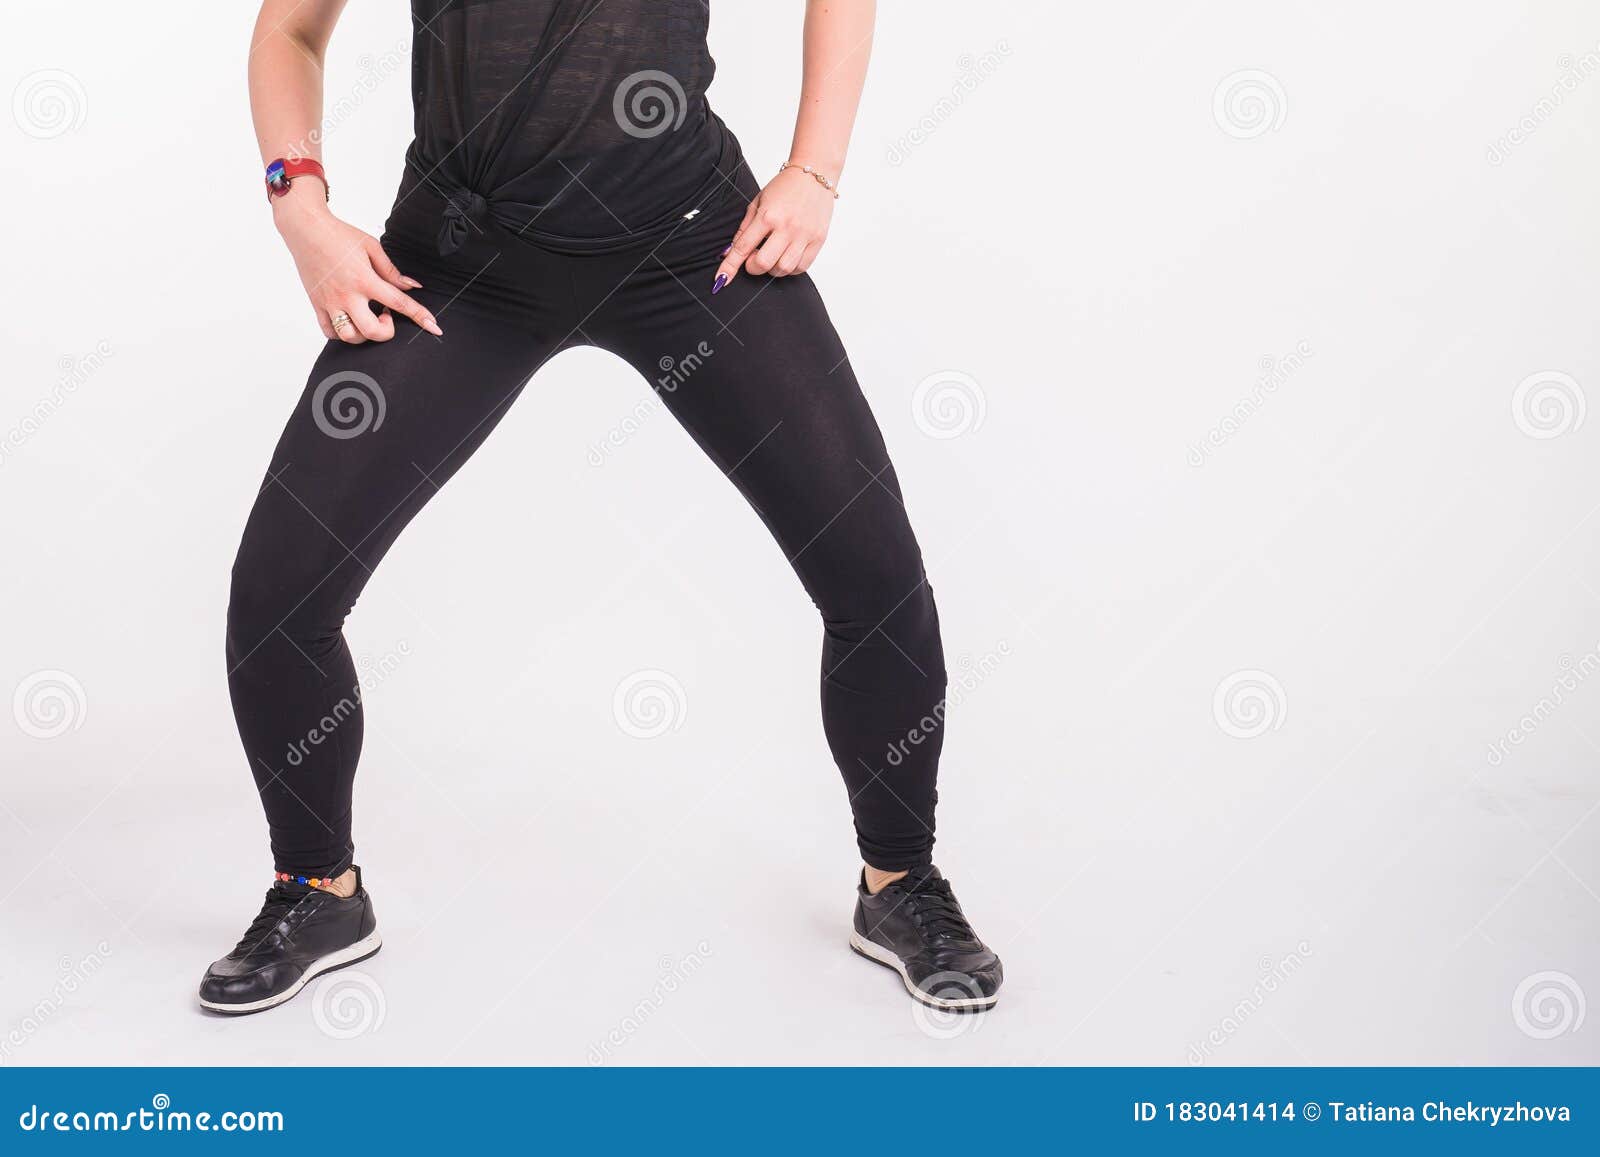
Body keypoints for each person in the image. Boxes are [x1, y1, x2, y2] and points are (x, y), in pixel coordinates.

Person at [201, 0, 1002, 1018]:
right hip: (461, 261)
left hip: (693, 246)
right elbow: (290, 30)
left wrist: (815, 168)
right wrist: (299, 206)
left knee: (874, 572)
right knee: (278, 591)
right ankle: (317, 889)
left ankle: (900, 882)